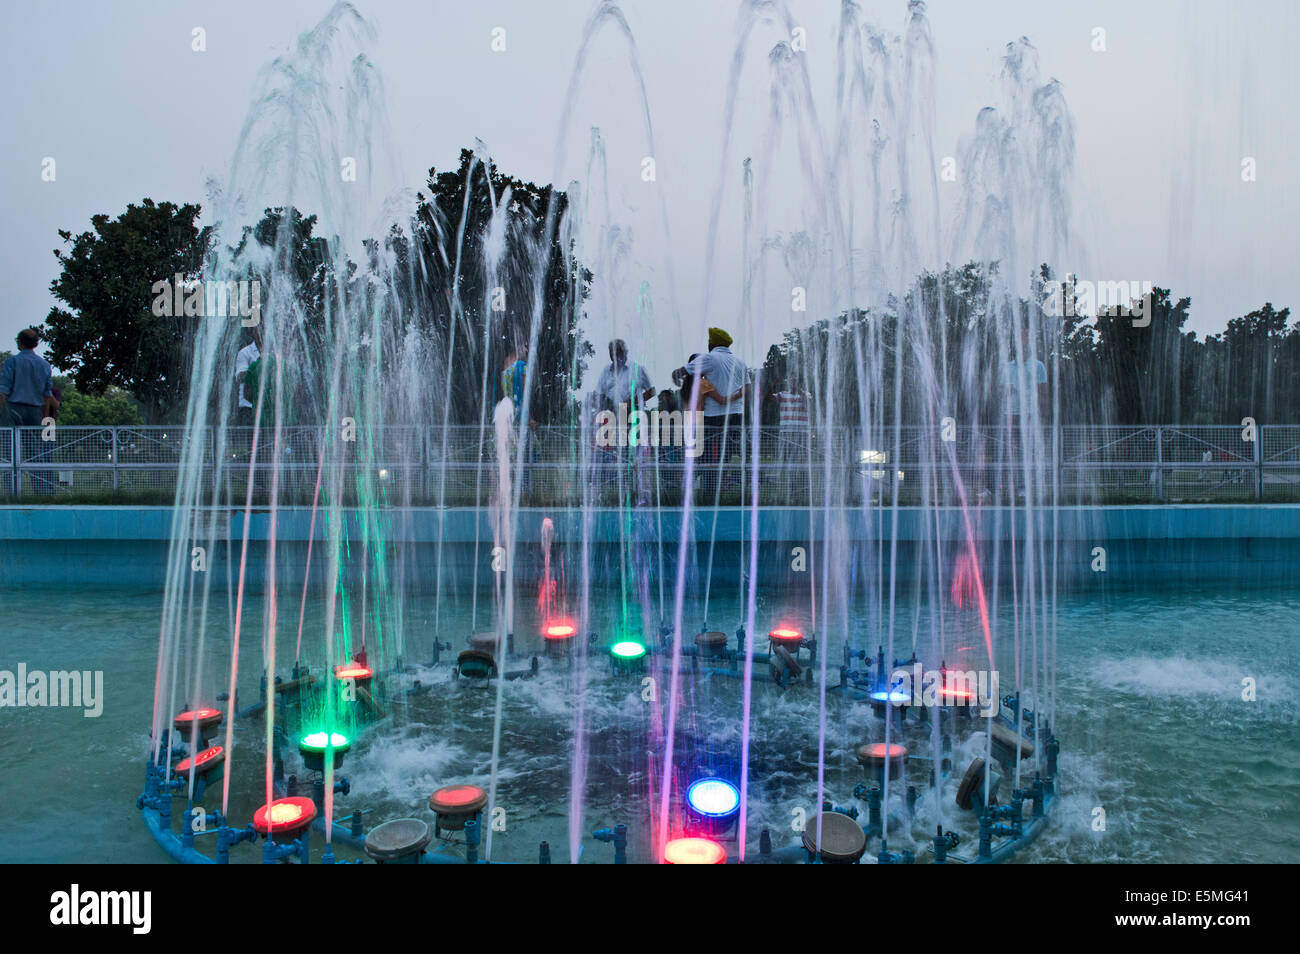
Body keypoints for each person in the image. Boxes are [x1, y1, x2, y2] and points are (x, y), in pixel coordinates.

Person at [0, 328, 59, 494]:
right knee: (36, 454)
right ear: (36, 344)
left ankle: (11, 492)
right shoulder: (44, 365)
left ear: (20, 343)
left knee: (8, 454)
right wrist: (45, 417)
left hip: (13, 409)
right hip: (35, 411)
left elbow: (3, 390)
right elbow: (47, 395)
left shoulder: (12, 362)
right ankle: (42, 492)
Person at [688, 328, 748, 482]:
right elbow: (721, 400)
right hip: (703, 422)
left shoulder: (697, 383)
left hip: (698, 422)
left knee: (705, 456)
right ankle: (713, 485)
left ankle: (704, 485)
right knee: (717, 455)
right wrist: (738, 394)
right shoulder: (703, 383)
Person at [235, 327, 262, 427]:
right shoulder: (245, 353)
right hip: (248, 408)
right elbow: (240, 377)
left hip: (267, 409)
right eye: (260, 330)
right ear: (255, 333)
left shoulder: (273, 352)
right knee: (247, 439)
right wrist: (258, 366)